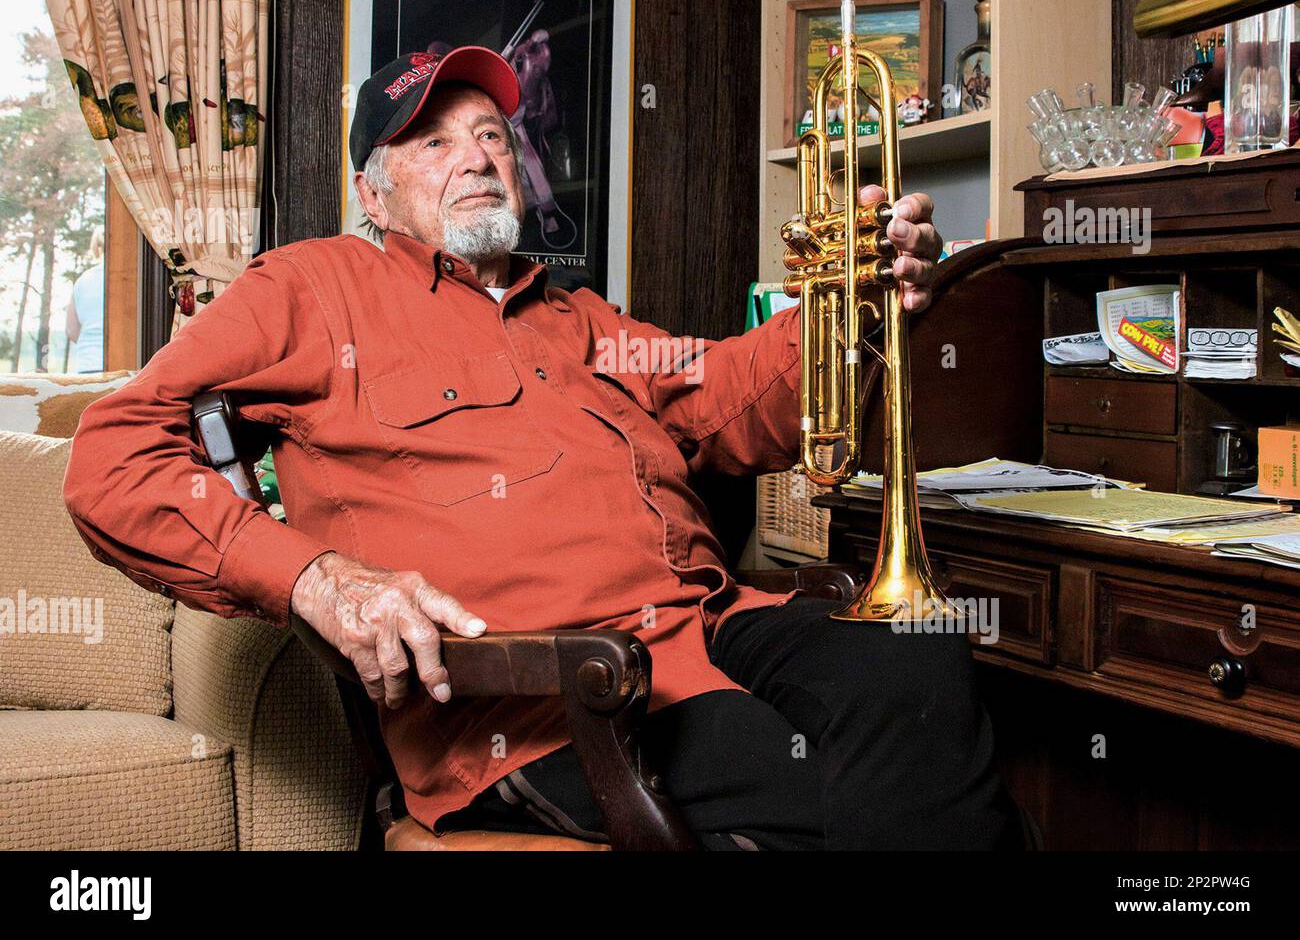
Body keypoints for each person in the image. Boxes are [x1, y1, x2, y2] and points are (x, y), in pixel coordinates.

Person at [64, 48, 1019, 850]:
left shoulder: (576, 316)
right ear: (373, 190)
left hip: (707, 628)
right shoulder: (310, 289)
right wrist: (319, 580)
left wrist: (844, 303)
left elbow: (728, 396)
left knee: (916, 659)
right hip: (543, 701)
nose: (474, 155)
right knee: (874, 799)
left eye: (489, 134)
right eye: (432, 140)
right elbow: (109, 455)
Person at [65, 227, 105, 373]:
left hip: (86, 365)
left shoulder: (83, 280)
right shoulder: (132, 279)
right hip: (122, 367)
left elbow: (71, 330)